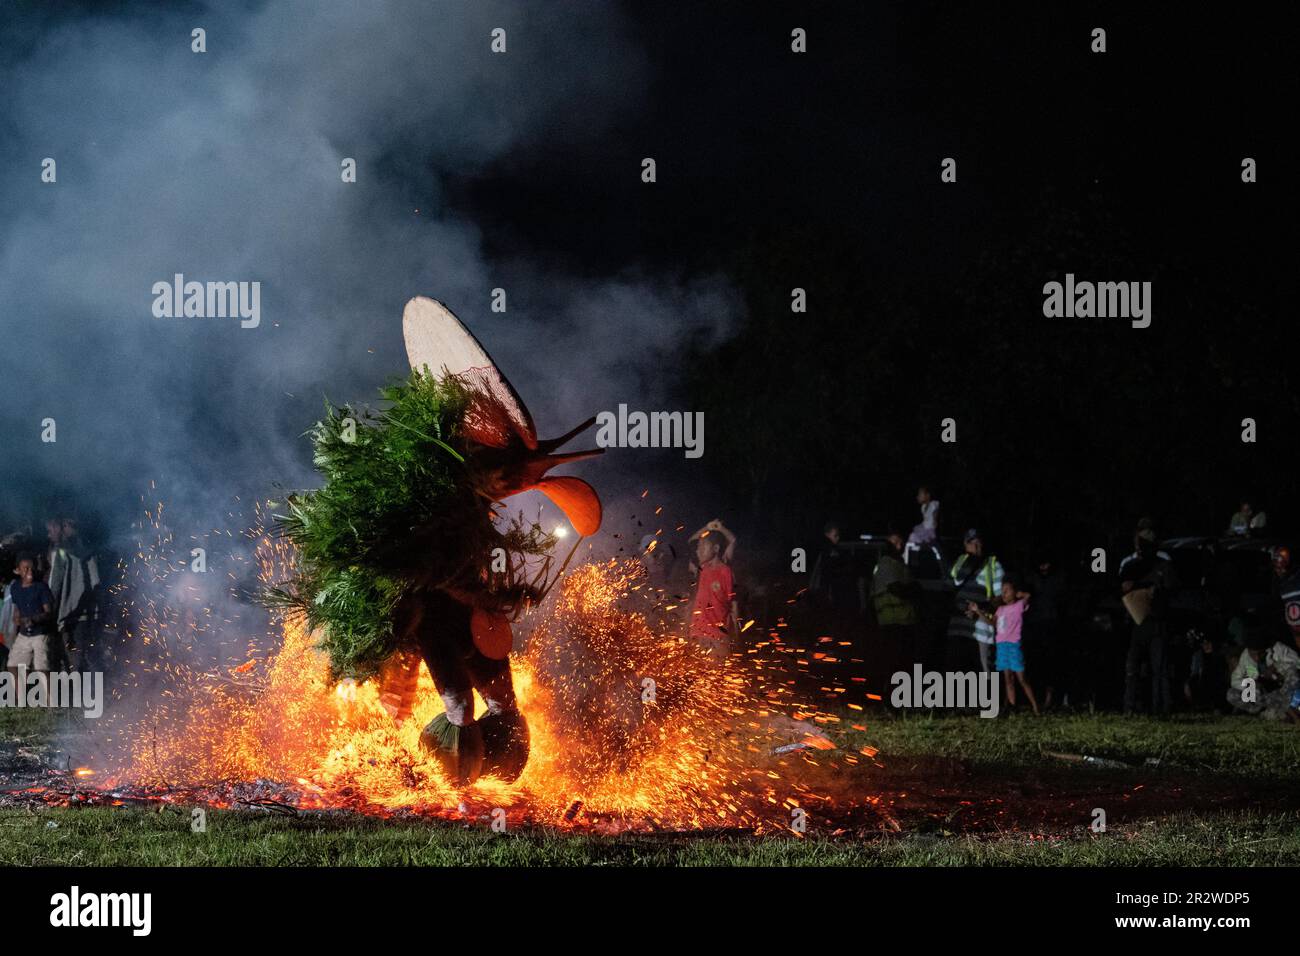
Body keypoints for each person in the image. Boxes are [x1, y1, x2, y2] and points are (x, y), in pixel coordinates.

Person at [1119, 529, 1177, 715]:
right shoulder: (1131, 566)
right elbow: (1121, 589)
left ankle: (1160, 708)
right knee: (1133, 668)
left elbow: (1172, 591)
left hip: (1157, 623)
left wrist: (1155, 591)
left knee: (1158, 669)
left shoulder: (1164, 566)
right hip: (1137, 623)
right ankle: (1131, 707)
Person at [973, 578, 1040, 715]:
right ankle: (1012, 707)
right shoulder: (1001, 609)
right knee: (1008, 678)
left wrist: (1019, 594)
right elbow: (992, 623)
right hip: (1002, 646)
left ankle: (1035, 706)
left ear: (1014, 592)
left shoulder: (1019, 605)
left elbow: (1028, 596)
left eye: (1007, 591)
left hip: (1014, 645)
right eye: (1002, 591)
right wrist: (978, 611)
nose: (1004, 594)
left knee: (1021, 678)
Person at [945, 529, 1003, 673]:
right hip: (957, 629)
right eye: (972, 543)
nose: (976, 547)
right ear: (965, 545)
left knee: (982, 672)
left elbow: (999, 599)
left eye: (979, 543)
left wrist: (980, 609)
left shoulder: (993, 565)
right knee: (955, 672)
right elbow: (948, 589)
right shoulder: (959, 562)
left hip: (979, 631)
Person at [47, 515, 100, 671]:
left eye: (50, 530)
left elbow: (54, 586)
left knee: (69, 661)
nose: (49, 535)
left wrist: (50, 613)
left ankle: (74, 694)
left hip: (67, 614)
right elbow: (96, 583)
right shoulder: (90, 551)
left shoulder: (60, 553)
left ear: (61, 528)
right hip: (88, 613)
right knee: (83, 657)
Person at [871, 533, 920, 684]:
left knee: (903, 662)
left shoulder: (898, 564)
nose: (900, 546)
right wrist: (914, 589)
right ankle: (891, 695)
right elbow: (896, 588)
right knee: (895, 662)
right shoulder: (887, 564)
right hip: (892, 621)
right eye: (895, 543)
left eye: (901, 542)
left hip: (903, 621)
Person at [1023, 553, 1066, 709]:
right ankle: (1036, 698)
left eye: (1047, 564)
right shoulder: (1032, 578)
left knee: (1051, 664)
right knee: (1036, 662)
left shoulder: (1058, 579)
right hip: (1035, 626)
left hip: (1052, 625)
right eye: (1041, 565)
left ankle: (1050, 698)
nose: (1044, 568)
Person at [1226, 629, 1300, 719]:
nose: (1256, 658)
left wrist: (1276, 667)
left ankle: (1284, 710)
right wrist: (1252, 684)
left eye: (1260, 654)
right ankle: (1258, 712)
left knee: (1293, 674)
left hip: (1282, 693)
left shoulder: (1278, 648)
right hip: (1264, 695)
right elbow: (1235, 680)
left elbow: (1297, 663)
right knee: (1231, 694)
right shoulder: (1245, 657)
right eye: (1253, 654)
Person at [688, 526, 739, 655]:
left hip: (717, 637)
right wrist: (706, 527)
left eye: (702, 546)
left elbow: (734, 605)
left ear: (716, 549)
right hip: (698, 634)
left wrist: (720, 528)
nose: (698, 551)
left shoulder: (726, 571)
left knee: (717, 673)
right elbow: (691, 542)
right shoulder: (702, 568)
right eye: (698, 547)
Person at [7, 554, 56, 672]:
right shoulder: (15, 587)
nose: (30, 571)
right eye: (26, 568)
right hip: (24, 634)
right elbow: (17, 608)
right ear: (17, 570)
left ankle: (48, 690)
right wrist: (17, 618)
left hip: (40, 634)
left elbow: (49, 613)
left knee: (42, 669)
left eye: (32, 568)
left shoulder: (41, 587)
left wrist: (34, 619)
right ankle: (21, 691)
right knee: (13, 666)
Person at [904, 486, 941, 566]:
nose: (918, 497)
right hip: (924, 529)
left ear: (927, 495)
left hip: (929, 531)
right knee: (913, 537)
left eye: (920, 494)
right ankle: (910, 558)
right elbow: (926, 520)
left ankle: (911, 558)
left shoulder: (933, 504)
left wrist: (935, 519)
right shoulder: (923, 507)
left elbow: (935, 512)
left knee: (913, 536)